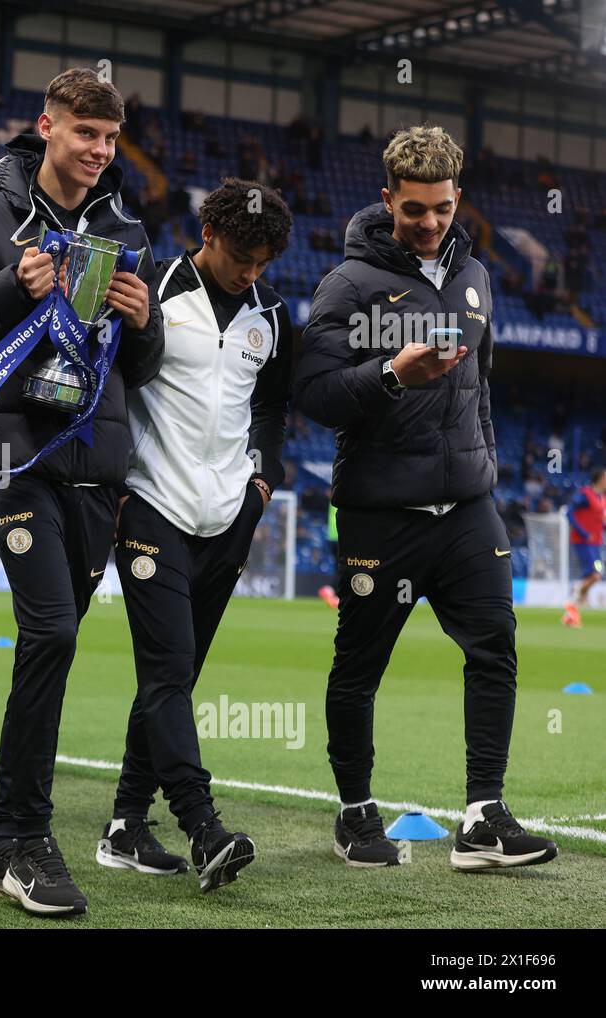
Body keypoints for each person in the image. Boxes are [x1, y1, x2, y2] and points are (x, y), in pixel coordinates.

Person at [0, 68, 164, 916]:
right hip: (12, 455)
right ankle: (28, 838)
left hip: (96, 462)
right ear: (46, 127)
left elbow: (146, 368)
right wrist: (8, 288)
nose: (98, 152)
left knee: (50, 645)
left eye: (109, 139)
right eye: (84, 133)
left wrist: (142, 320)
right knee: (52, 628)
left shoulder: (128, 228)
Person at [294, 125, 557, 872]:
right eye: (415, 210)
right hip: (383, 512)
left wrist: (485, 469)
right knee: (359, 666)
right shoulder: (348, 285)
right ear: (387, 200)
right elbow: (311, 393)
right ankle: (353, 813)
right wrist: (387, 374)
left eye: (441, 208)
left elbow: (481, 386)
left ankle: (482, 818)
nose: (431, 223)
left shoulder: (476, 276)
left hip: (470, 508)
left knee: (495, 648)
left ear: (457, 200)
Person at [102, 178, 294, 892]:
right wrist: (114, 481)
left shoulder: (271, 314)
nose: (251, 272)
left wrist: (263, 481)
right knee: (167, 668)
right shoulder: (151, 287)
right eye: (243, 255)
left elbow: (274, 407)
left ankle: (124, 825)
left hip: (227, 518)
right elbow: (110, 379)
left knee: (174, 676)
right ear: (209, 234)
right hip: (150, 505)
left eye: (264, 260)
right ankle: (202, 825)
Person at [562, 466, 606, 627]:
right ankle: (573, 599)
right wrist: (583, 532)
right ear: (600, 479)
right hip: (584, 542)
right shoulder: (585, 495)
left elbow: (599, 521)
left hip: (596, 544)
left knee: (595, 574)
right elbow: (569, 512)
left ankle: (572, 614)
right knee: (595, 575)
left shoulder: (602, 498)